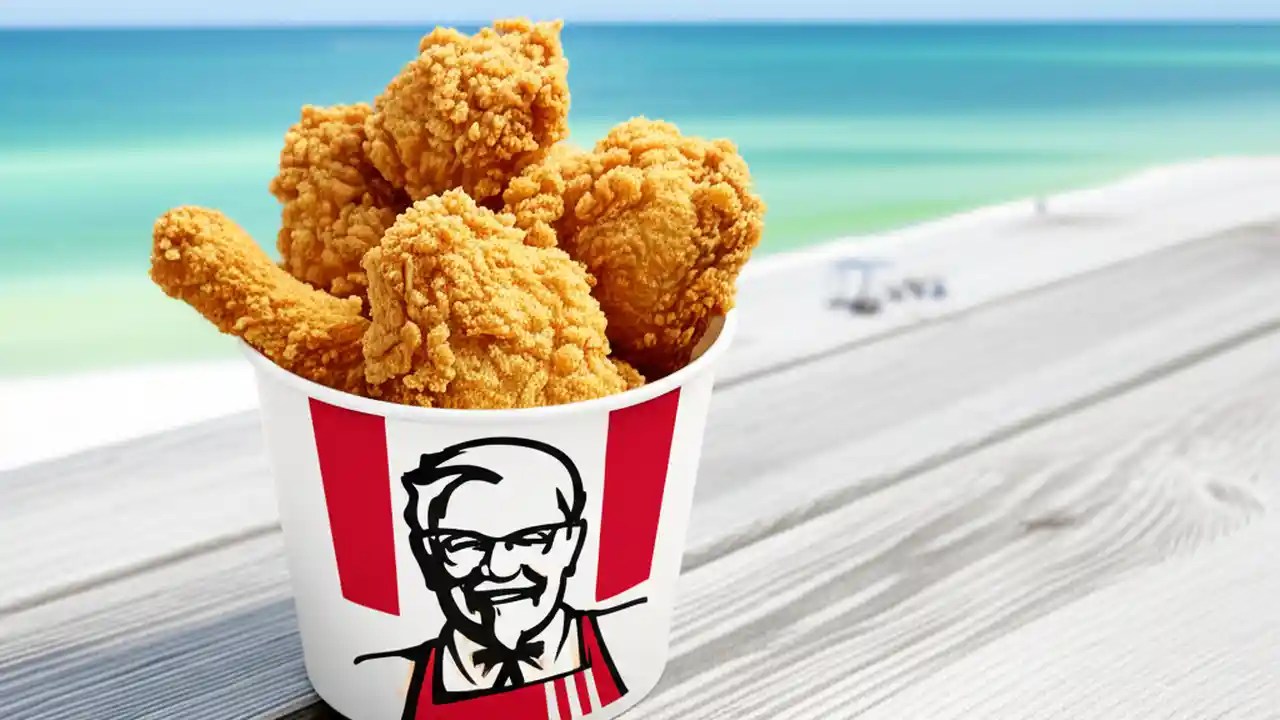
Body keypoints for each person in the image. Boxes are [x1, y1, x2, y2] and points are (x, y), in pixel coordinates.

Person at [356, 438, 631, 720]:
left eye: (531, 538)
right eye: (463, 543)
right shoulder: (387, 678)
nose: (500, 568)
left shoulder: (624, 638)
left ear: (571, 544)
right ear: (426, 556)